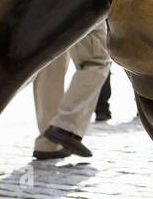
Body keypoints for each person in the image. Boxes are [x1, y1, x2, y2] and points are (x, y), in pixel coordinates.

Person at [32, 19, 112, 159]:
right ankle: (65, 127)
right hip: (81, 3)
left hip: (44, 7)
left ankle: (48, 144)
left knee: (50, 64)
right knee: (96, 62)